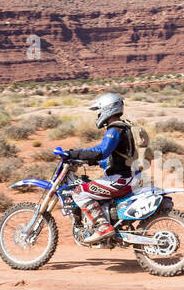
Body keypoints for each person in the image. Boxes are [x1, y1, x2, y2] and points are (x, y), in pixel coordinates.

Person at [56, 92, 136, 244]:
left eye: (99, 111)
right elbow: (113, 158)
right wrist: (88, 161)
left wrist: (72, 153)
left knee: (79, 192)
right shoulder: (124, 128)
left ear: (108, 109)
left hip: (120, 179)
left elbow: (101, 151)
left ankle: (103, 226)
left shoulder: (115, 130)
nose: (98, 115)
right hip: (129, 176)